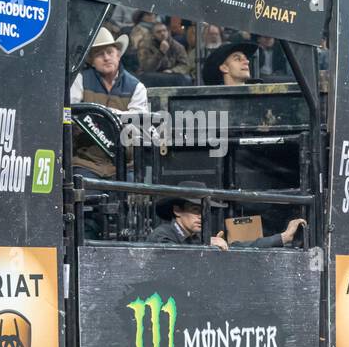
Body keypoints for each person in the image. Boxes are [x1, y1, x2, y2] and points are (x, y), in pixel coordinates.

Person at [69, 27, 149, 180]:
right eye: (99, 54)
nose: (106, 58)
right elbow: (70, 115)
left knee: (133, 196)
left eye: (110, 52)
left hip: (123, 163)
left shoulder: (136, 86)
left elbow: (139, 124)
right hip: (86, 162)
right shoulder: (80, 80)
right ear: (91, 61)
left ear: (118, 55)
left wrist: (103, 114)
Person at [146, 182, 305, 250]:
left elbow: (239, 247)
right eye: (195, 209)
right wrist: (205, 245)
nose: (201, 216)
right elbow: (175, 263)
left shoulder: (195, 238)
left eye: (204, 211)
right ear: (177, 210)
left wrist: (283, 238)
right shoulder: (162, 236)